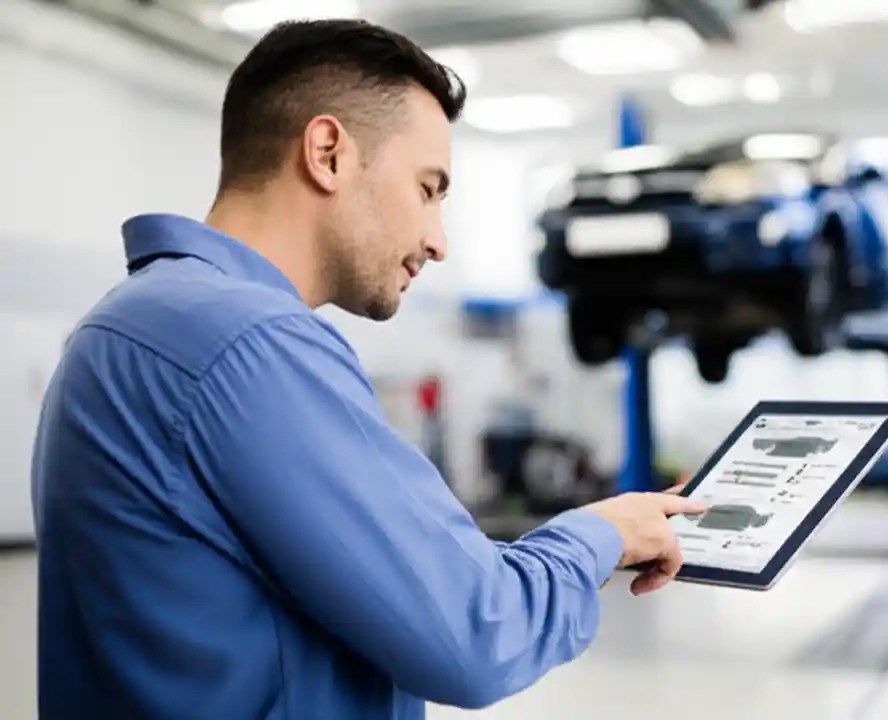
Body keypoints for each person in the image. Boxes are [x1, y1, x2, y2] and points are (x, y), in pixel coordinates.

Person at [30, 18, 705, 720]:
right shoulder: (249, 342)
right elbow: (478, 633)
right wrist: (603, 534)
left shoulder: (122, 326)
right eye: (428, 189)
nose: (438, 242)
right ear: (328, 153)